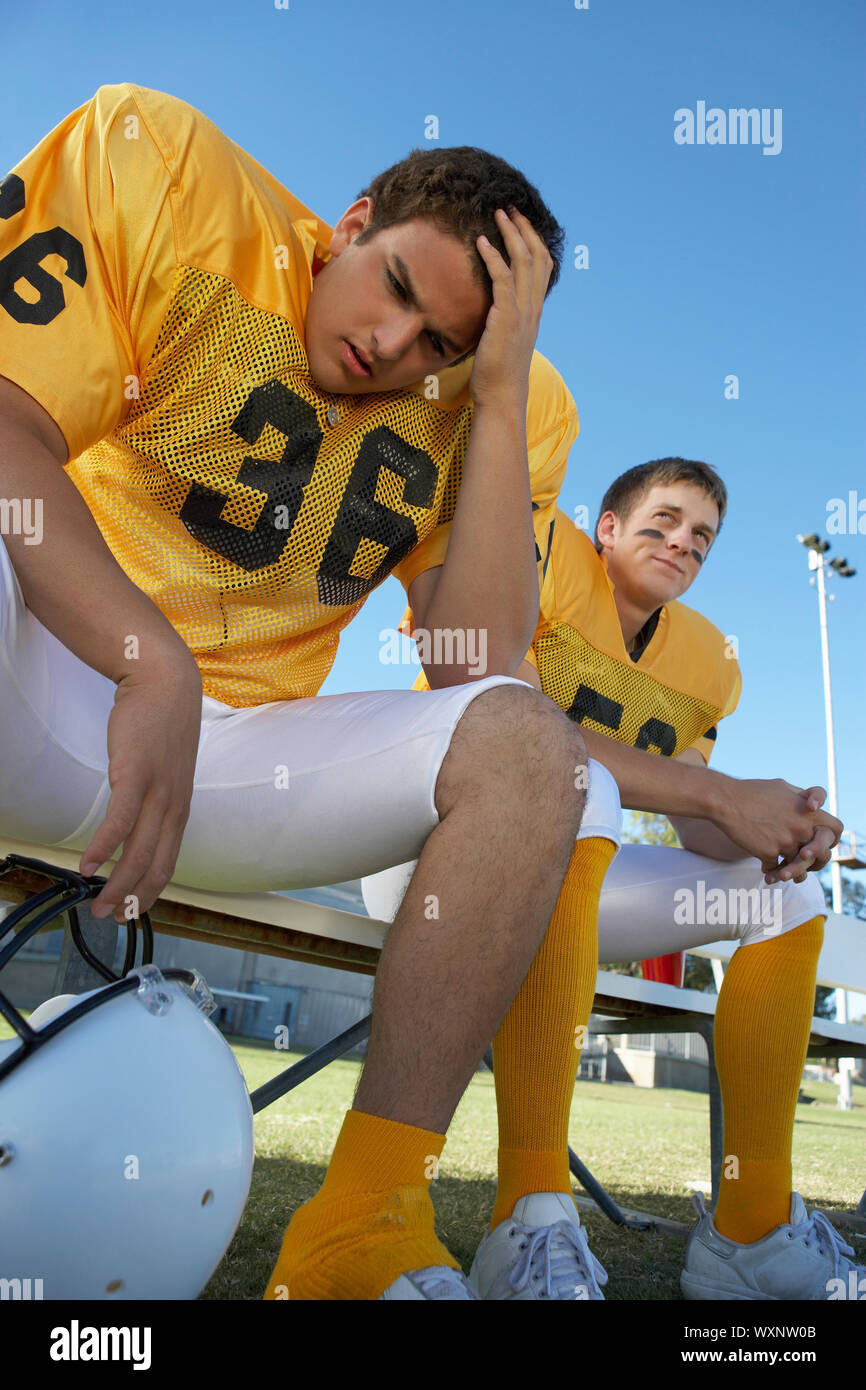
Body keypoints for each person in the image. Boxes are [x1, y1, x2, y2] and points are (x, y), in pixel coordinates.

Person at [0, 81, 596, 1301]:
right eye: (395, 291)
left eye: (439, 343)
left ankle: (359, 1221)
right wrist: (142, 653)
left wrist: (489, 394)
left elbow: (472, 666)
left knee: (529, 749)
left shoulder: (507, 402)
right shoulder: (162, 165)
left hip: (238, 764)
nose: (391, 348)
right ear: (351, 218)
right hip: (52, 676)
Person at [363, 457, 858, 1300]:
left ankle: (749, 1230)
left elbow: (698, 823)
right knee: (562, 785)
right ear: (607, 529)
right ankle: (529, 1212)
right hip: (430, 852)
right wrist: (720, 793)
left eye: (702, 536)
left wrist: (775, 828)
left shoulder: (705, 660)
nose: (682, 543)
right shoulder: (543, 552)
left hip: (569, 878)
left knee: (785, 892)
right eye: (664, 520)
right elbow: (510, 721)